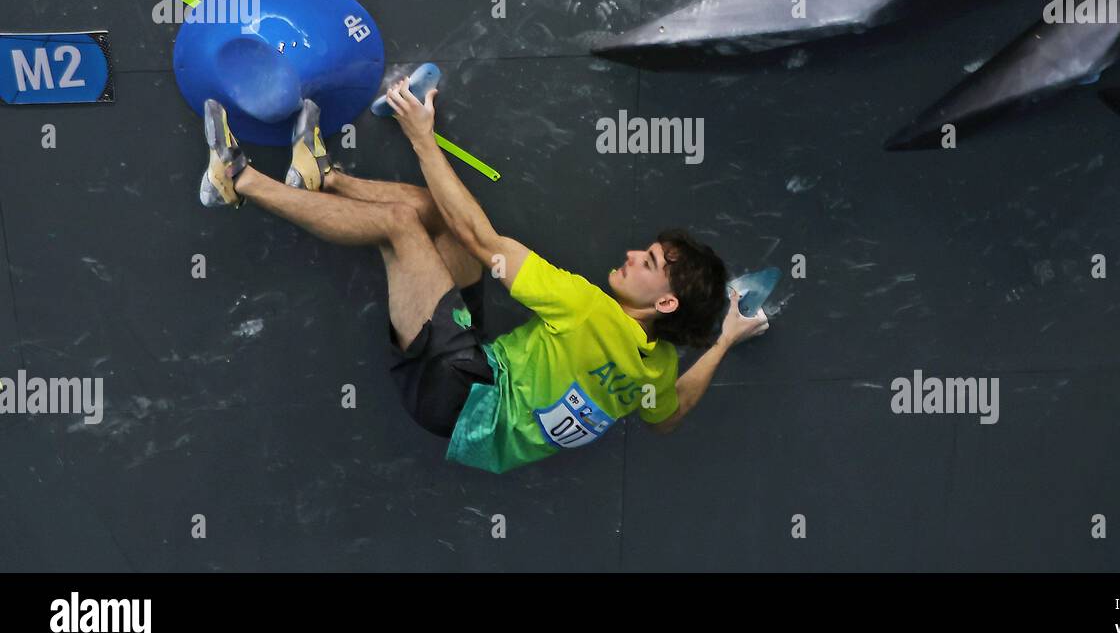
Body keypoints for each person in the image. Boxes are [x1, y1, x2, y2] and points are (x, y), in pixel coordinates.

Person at [198, 78, 769, 472]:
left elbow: (483, 240)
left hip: (459, 390)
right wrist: (723, 340)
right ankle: (324, 177)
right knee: (439, 216)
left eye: (647, 264)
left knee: (402, 225)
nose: (631, 255)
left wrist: (422, 137)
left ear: (664, 304)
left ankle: (236, 179)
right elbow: (667, 418)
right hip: (472, 407)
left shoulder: (586, 308)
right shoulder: (658, 365)